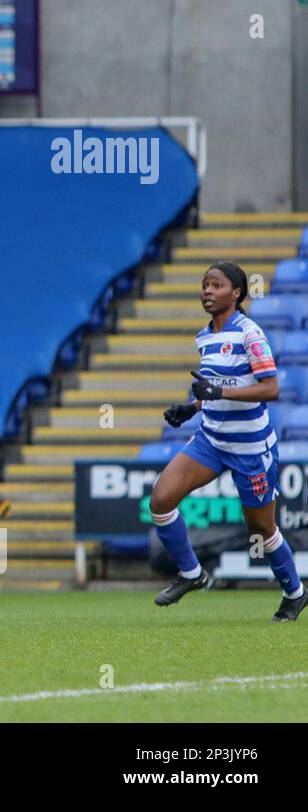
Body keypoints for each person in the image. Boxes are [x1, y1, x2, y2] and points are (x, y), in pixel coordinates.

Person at [152, 261, 304, 621]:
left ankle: (295, 593)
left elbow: (271, 388)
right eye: (205, 284)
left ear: (236, 293)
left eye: (216, 285)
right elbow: (212, 388)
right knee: (161, 499)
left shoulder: (250, 334)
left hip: (251, 447)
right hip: (211, 439)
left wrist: (218, 390)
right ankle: (191, 573)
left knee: (262, 528)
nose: (207, 291)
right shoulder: (204, 337)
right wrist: (191, 407)